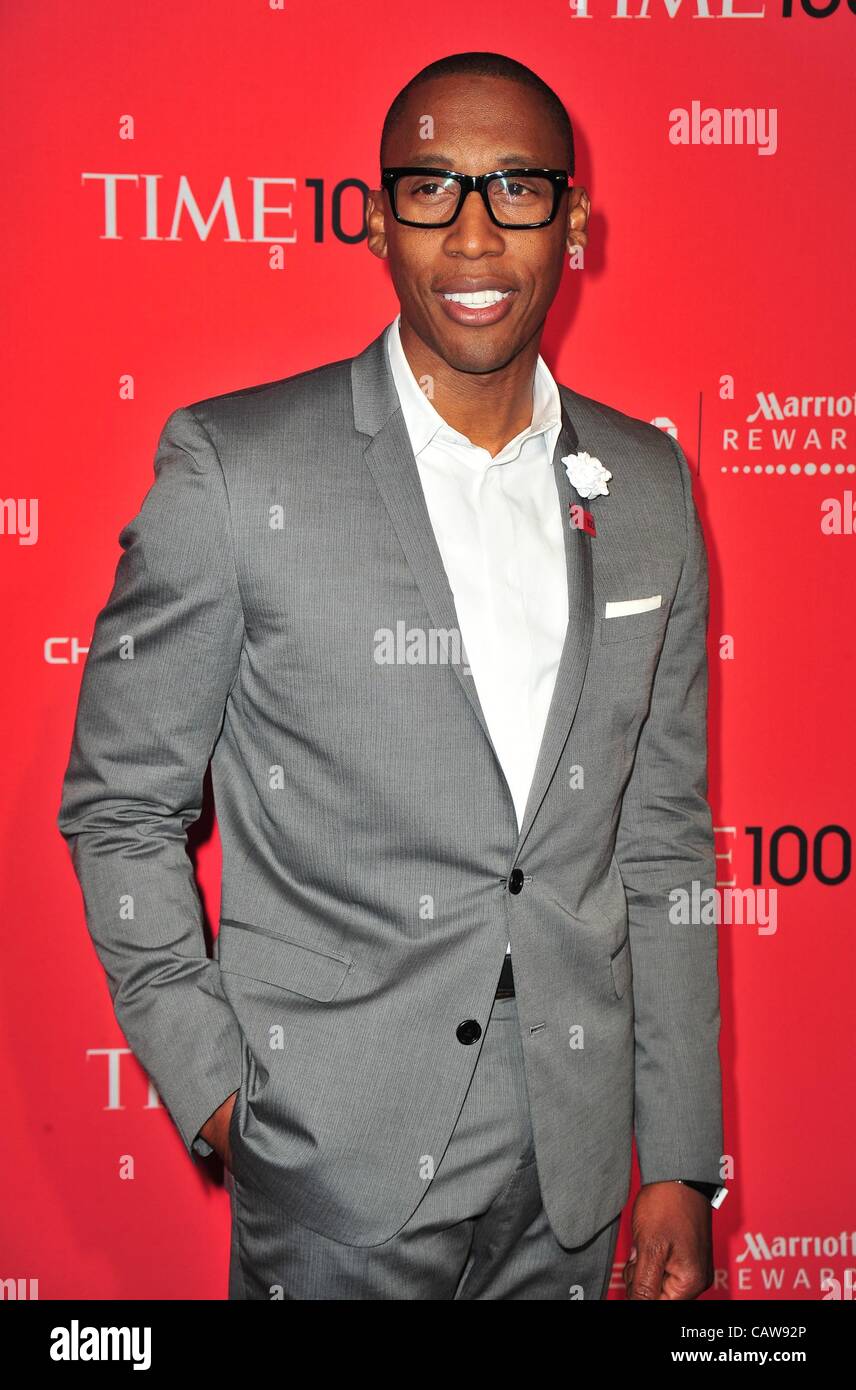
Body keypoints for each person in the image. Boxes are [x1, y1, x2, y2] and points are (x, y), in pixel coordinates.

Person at [57, 50, 726, 1301]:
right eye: (432, 190)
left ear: (574, 222)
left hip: (578, 1181)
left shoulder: (648, 489)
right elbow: (120, 806)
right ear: (375, 221)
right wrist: (217, 1097)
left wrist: (680, 1153)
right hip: (331, 1175)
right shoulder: (235, 467)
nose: (473, 236)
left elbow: (664, 839)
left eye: (518, 189)